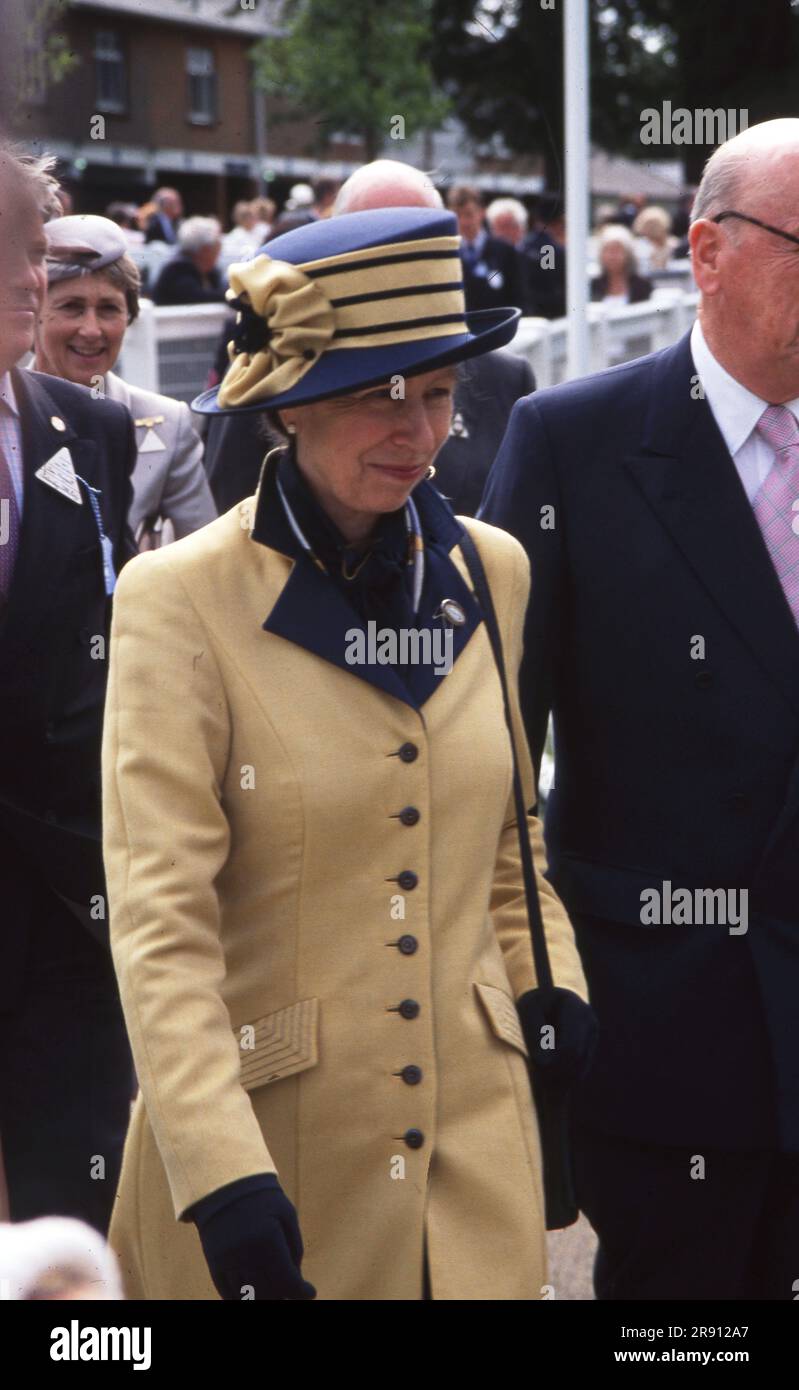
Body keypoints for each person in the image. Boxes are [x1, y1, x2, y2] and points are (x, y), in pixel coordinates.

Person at [101, 205, 589, 1301]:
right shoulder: (178, 600)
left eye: (437, 393)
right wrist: (219, 1170)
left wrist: (552, 985)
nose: (417, 431)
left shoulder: (493, 570)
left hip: (475, 1163)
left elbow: (511, 847)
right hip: (269, 1160)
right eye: (379, 395)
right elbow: (158, 920)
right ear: (291, 405)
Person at [480, 116, 799, 1300]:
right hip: (665, 1024)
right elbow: (492, 744)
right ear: (707, 253)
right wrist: (524, 989)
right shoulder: (572, 443)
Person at [0, 142, 136, 1235]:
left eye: (33, 251)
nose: (28, 278)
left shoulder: (90, 426)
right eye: (3, 251)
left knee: (78, 1212)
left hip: (64, 899)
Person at [204, 159, 536, 517]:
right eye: (374, 245)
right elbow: (233, 518)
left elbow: (520, 518)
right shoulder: (283, 367)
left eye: (419, 245)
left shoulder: (505, 378)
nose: (420, 435)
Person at [32, 214, 216, 543]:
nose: (92, 330)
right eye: (72, 307)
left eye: (109, 309)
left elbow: (205, 553)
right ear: (34, 314)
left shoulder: (164, 425)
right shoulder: (8, 416)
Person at [448, 184, 524, 314]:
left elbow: (519, 298)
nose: (464, 222)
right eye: (458, 215)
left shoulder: (505, 251)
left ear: (482, 212)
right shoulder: (448, 253)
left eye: (469, 214)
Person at [151, 216, 226, 306]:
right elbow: (198, 298)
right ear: (206, 250)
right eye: (218, 244)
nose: (220, 249)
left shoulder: (210, 273)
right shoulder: (176, 271)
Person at [590, 224, 652, 305]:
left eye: (617, 250)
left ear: (628, 254)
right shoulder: (592, 285)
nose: (612, 256)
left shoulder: (642, 285)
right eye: (607, 250)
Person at [632, 205, 678, 273]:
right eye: (649, 225)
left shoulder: (674, 244)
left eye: (655, 225)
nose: (652, 229)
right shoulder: (637, 246)